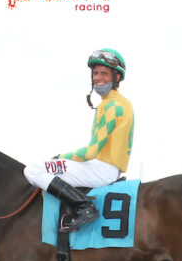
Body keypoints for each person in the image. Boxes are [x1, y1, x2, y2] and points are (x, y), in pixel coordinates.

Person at [23, 48, 134, 231]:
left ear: (117, 77)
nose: (98, 78)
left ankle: (83, 207)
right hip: (106, 168)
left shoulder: (112, 106)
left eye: (104, 73)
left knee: (32, 170)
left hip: (101, 169)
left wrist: (60, 156)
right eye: (95, 73)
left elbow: (91, 152)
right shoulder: (120, 103)